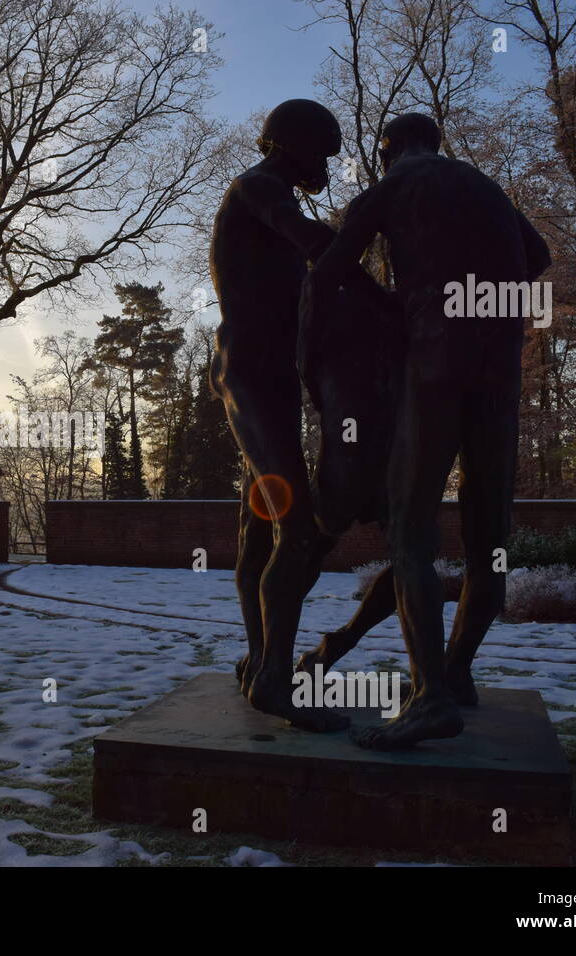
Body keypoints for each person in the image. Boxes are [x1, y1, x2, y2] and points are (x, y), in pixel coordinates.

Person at [306, 113, 551, 749]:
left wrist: (390, 311)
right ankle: (457, 672)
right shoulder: (484, 186)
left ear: (387, 150)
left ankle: (429, 697)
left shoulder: (389, 189)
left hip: (435, 364)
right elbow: (540, 254)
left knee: (412, 530)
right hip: (499, 372)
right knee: (487, 539)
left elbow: (328, 270)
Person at [209, 99, 393, 730]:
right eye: (322, 152)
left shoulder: (275, 198)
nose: (326, 166)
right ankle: (273, 681)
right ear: (290, 145)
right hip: (251, 377)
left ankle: (259, 662)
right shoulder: (258, 187)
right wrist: (379, 291)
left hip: (275, 381)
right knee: (300, 530)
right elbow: (315, 242)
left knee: (258, 533)